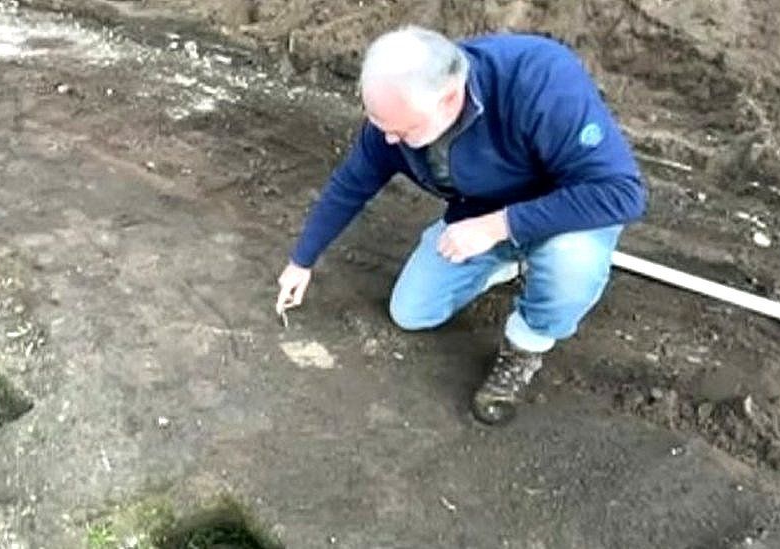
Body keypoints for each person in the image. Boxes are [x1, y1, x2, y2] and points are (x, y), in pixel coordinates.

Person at [275, 26, 647, 426]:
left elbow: (622, 194)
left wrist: (499, 225)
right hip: (481, 214)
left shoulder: (538, 78)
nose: (387, 139)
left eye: (401, 130)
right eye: (381, 124)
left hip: (566, 217)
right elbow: (351, 184)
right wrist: (302, 260)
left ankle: (525, 345)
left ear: (449, 98)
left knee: (571, 261)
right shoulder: (399, 112)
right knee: (411, 312)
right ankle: (514, 262)